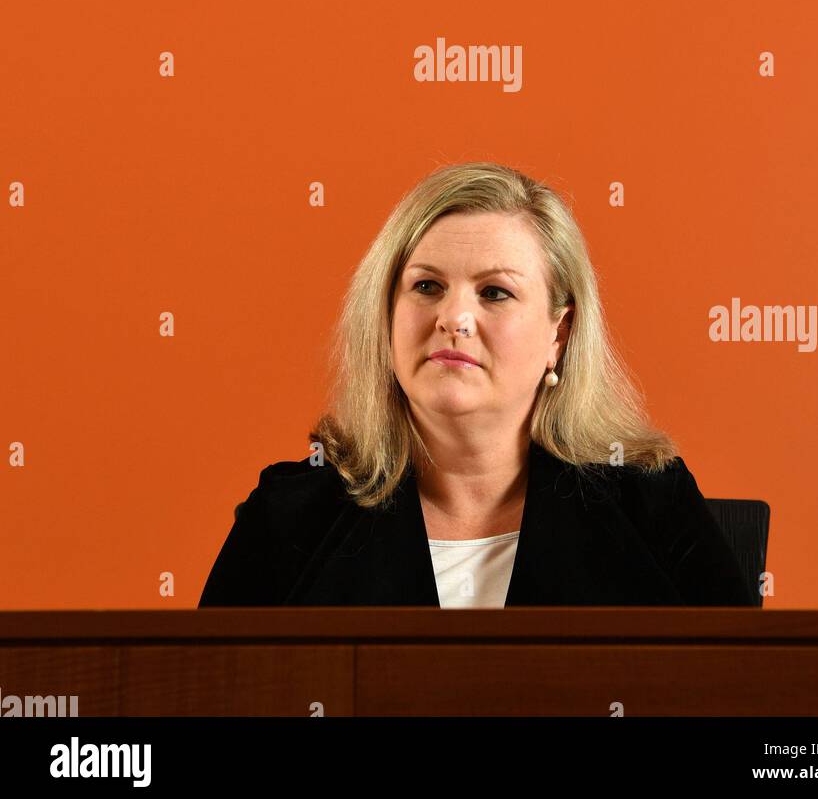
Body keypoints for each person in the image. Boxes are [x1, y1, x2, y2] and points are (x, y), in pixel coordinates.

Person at [199, 161, 758, 608]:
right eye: (426, 286)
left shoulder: (652, 506)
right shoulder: (287, 516)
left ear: (558, 335)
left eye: (494, 292)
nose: (453, 318)